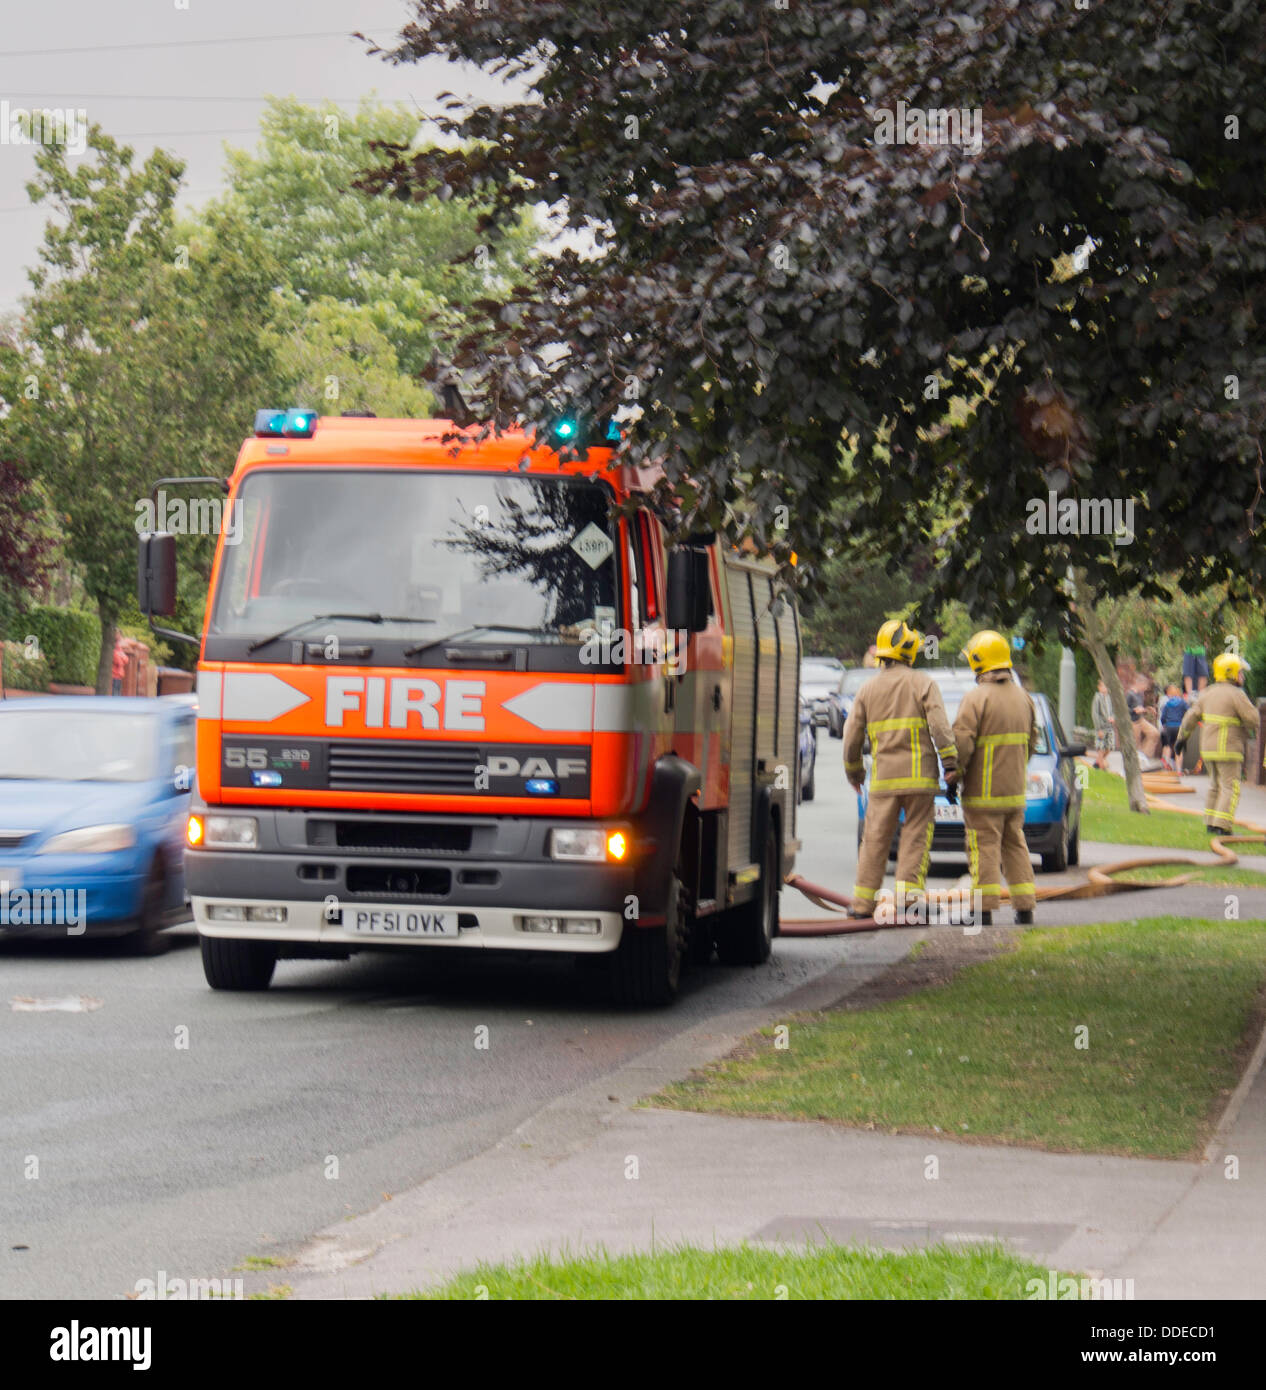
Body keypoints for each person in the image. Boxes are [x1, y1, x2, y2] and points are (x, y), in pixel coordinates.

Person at [843, 620, 957, 920]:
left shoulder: (867, 689)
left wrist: (855, 774)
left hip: (883, 782)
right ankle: (909, 901)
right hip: (920, 781)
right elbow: (941, 729)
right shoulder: (923, 683)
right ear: (909, 651)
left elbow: (852, 737)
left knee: (875, 841)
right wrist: (951, 765)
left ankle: (862, 905)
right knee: (915, 838)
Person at [953, 630, 1039, 927]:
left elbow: (961, 745)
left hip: (982, 795)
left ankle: (982, 910)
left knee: (983, 848)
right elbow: (1032, 741)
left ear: (979, 661)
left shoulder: (976, 698)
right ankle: (1025, 907)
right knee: (1016, 845)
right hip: (1015, 793)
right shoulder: (1024, 698)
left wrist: (954, 774)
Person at [1175, 653, 1260, 833]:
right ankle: (1223, 826)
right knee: (1231, 787)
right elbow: (1254, 720)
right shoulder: (1237, 695)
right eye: (1240, 673)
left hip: (1208, 750)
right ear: (1231, 673)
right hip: (1228, 749)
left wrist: (1181, 739)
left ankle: (1211, 823)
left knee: (1214, 786)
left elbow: (1190, 717)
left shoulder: (1207, 693)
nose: (1242, 677)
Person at [1127, 674, 1161, 759]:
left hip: (1140, 719)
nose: (1146, 688)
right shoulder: (1129, 694)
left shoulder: (1140, 694)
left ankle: (1144, 755)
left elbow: (1141, 707)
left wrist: (1148, 708)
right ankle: (1137, 760)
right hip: (1133, 721)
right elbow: (1124, 710)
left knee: (1154, 733)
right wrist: (1133, 710)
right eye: (1145, 685)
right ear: (1139, 683)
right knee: (1136, 743)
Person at [1158, 683, 1189, 772]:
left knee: (1167, 746)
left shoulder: (1167, 704)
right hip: (1179, 727)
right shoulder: (1182, 703)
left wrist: (1164, 725)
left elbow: (1163, 717)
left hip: (1168, 727)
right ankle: (1179, 770)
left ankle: (1166, 764)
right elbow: (1189, 712)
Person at [1091, 679, 1116, 770]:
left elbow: (1113, 711)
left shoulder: (1109, 698)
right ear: (1099, 687)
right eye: (1103, 686)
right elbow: (1095, 714)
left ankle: (1097, 763)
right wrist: (1098, 729)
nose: (1105, 688)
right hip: (1101, 727)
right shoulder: (1097, 697)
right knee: (1101, 748)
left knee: (1109, 748)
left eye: (1106, 686)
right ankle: (1101, 768)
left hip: (1109, 726)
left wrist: (1113, 717)